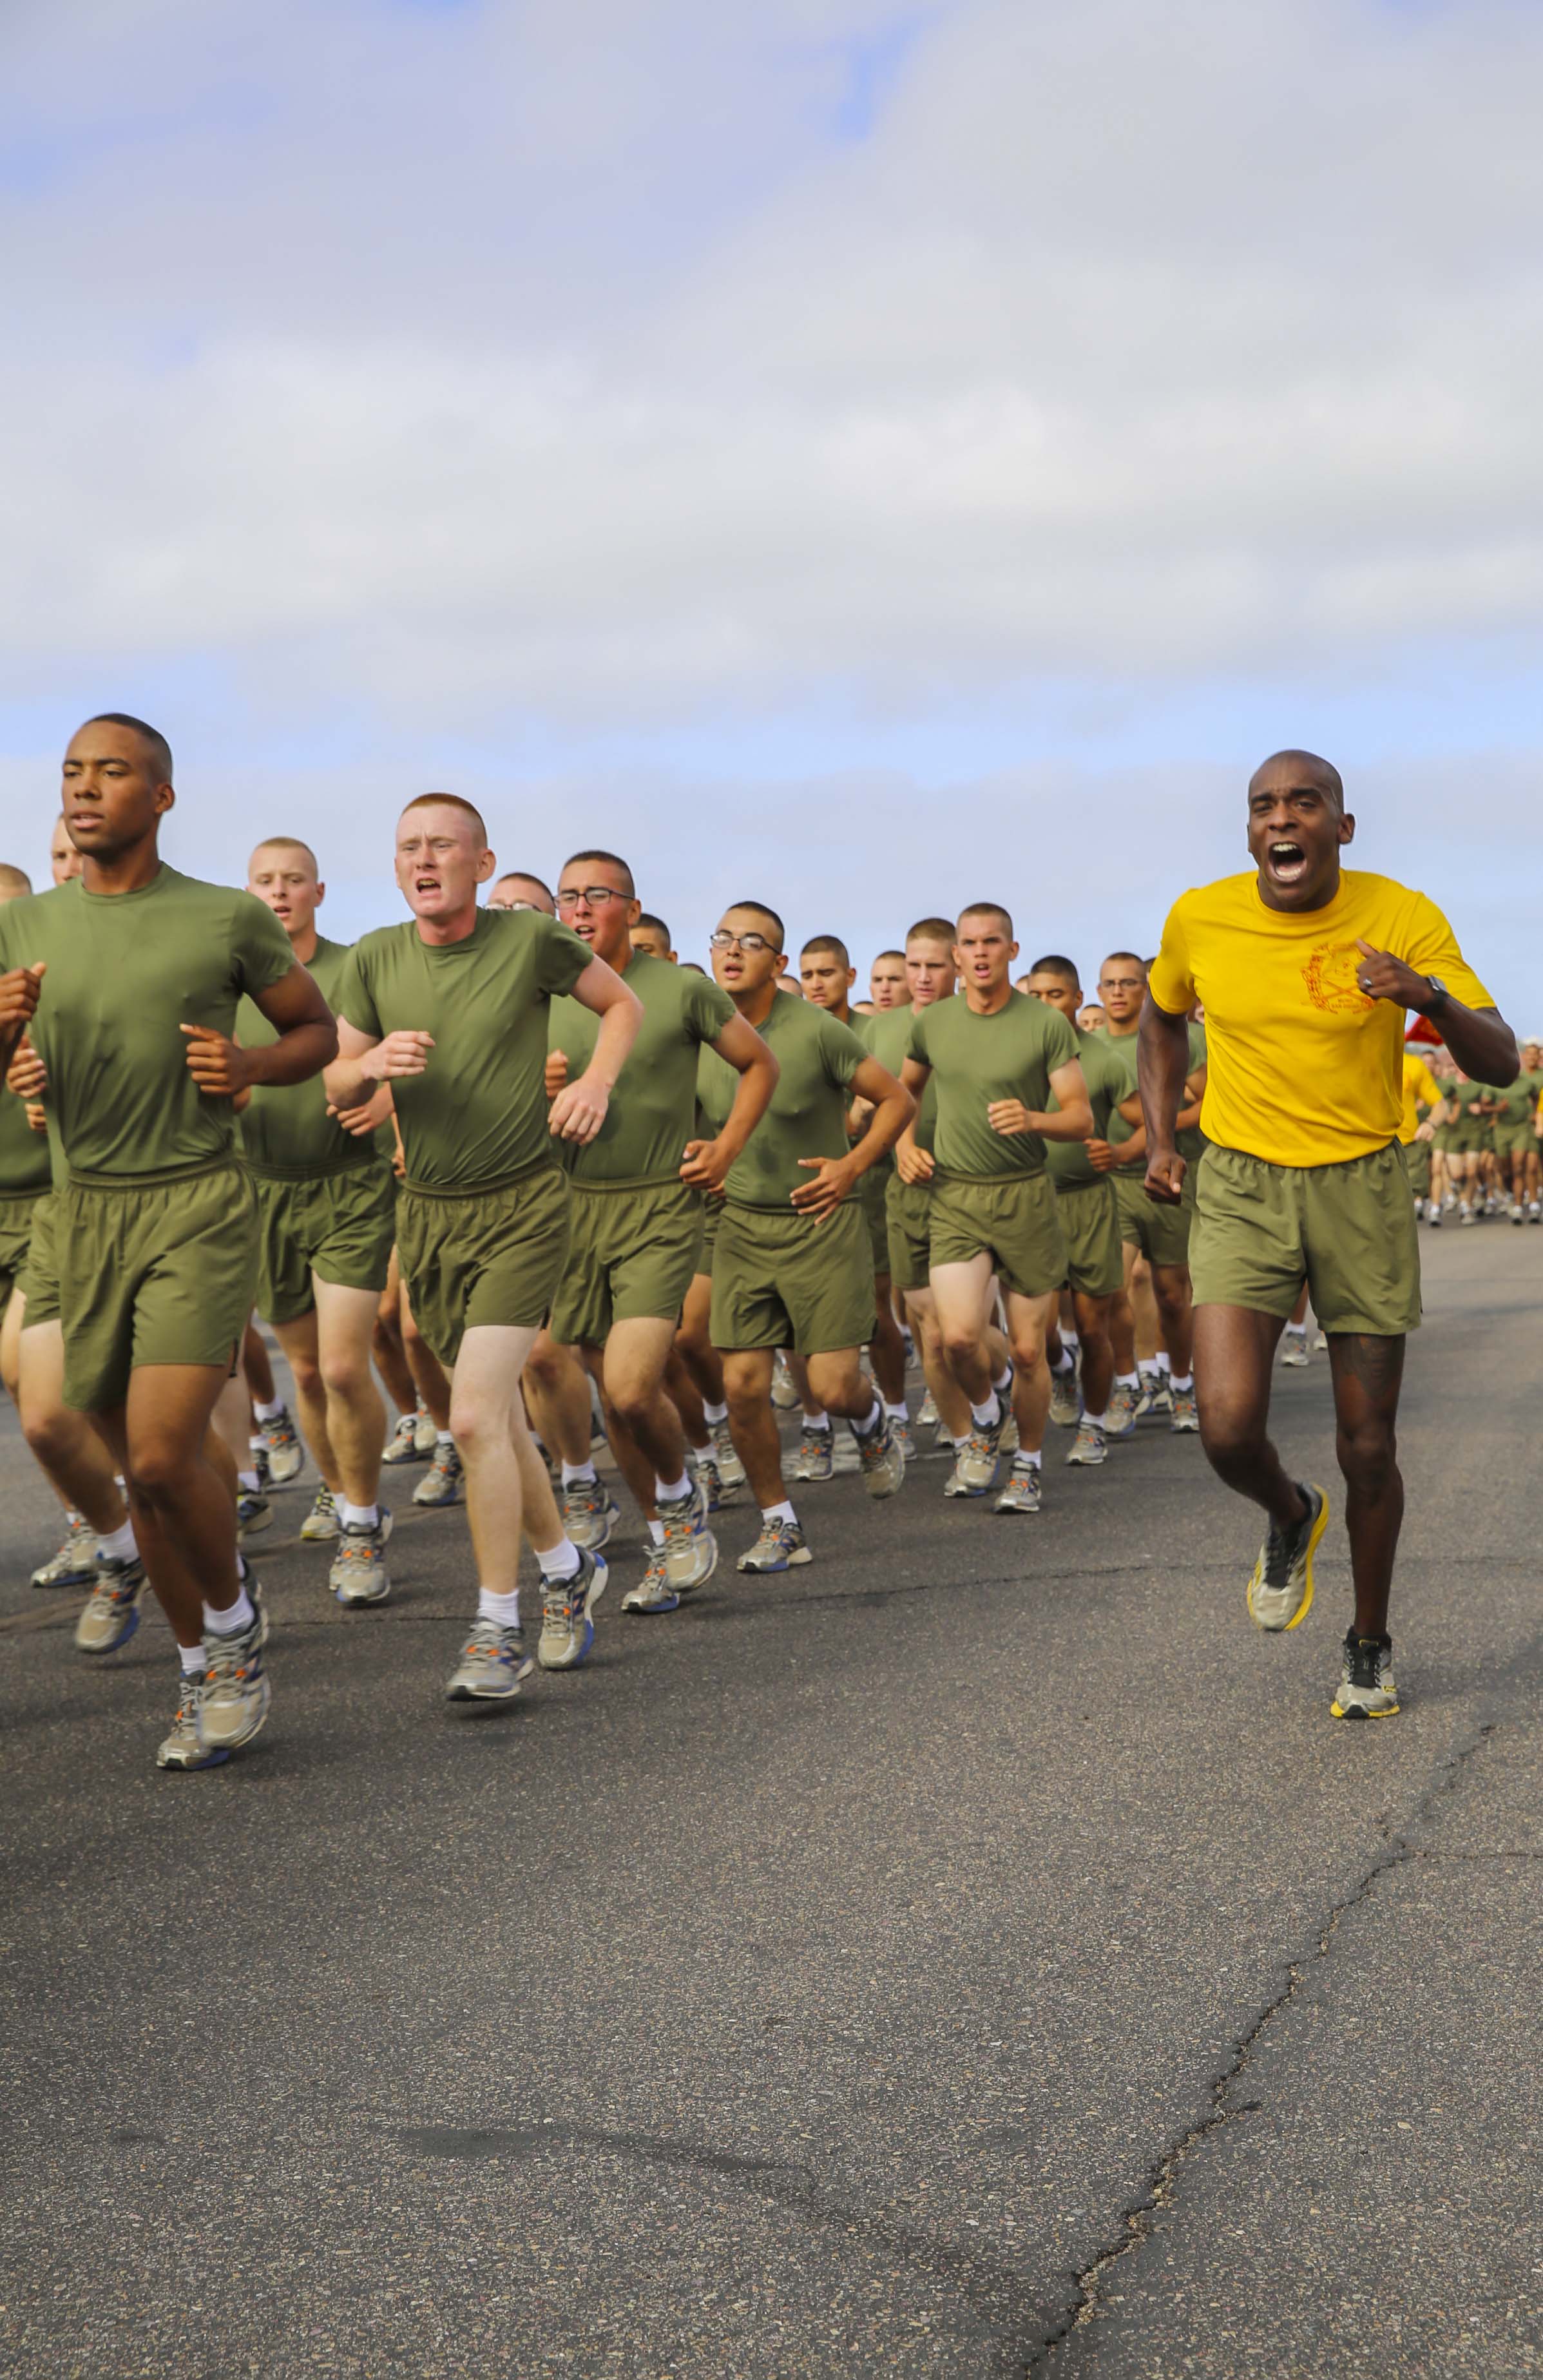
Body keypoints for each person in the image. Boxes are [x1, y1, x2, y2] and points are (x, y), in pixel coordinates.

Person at [1140, 747, 1517, 1720]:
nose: (1281, 819)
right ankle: (1286, 1510)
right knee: (1224, 1425)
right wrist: (1156, 1137)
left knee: (1367, 1444)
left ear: (1338, 830)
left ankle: (1367, 1644)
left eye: (1303, 804)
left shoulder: (1401, 916)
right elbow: (1159, 1015)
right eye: (1263, 805)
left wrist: (1421, 996)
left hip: (1361, 1184)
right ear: (1250, 831)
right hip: (1239, 1181)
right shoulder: (1199, 915)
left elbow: (1500, 1061)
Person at [0, 715, 337, 1769]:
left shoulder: (224, 916)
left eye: (112, 772)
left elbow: (314, 1031)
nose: (85, 789)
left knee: (157, 1449)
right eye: (71, 773)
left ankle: (231, 1627)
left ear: (163, 795)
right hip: (82, 1210)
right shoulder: (25, 926)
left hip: (195, 1201)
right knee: (135, 1472)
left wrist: (249, 1070)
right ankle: (202, 1660)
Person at [324, 794, 642, 1694]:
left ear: (478, 859)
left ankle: (494, 1626)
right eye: (406, 847)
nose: (422, 859)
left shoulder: (527, 941)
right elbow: (338, 1088)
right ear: (395, 867)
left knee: (468, 1418)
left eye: (441, 846)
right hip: (427, 1213)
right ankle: (567, 1569)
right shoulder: (375, 959)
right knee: (494, 1418)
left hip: (521, 1207)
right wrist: (368, 1068)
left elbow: (620, 1008)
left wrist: (596, 1083)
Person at [545, 852, 776, 1616]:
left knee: (633, 1386)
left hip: (658, 1205)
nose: (579, 908)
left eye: (596, 896)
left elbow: (759, 1065)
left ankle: (679, 1499)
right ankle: (664, 1535)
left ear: (630, 907)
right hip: (573, 1211)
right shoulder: (541, 991)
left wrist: (726, 1146)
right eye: (567, 896)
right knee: (612, 1407)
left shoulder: (679, 989)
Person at [700, 903, 912, 1571]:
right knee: (739, 1383)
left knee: (832, 1386)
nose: (733, 951)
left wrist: (852, 1166)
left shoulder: (817, 1032)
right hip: (739, 1225)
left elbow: (898, 1100)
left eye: (752, 941)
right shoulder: (694, 1030)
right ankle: (779, 1522)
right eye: (723, 938)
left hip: (819, 1226)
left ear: (778, 963)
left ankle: (871, 1420)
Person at [239, 838, 398, 1599]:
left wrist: (387, 1099)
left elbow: (409, 1047)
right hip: (263, 1191)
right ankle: (339, 1488)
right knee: (302, 1369)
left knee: (342, 1365)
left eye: (293, 880)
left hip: (350, 1187)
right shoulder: (229, 978)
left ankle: (363, 1527)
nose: (279, 892)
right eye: (265, 881)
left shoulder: (354, 966)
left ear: (319, 892)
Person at [900, 905, 1092, 1513]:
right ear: (956, 954)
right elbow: (901, 1091)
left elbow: (1080, 1116)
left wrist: (1033, 1118)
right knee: (957, 1339)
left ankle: (1028, 1467)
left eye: (991, 942)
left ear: (1011, 951)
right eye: (969, 943)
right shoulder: (934, 1023)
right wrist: (904, 1143)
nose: (979, 953)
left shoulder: (1043, 1024)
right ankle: (986, 1417)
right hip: (955, 1196)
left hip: (1025, 1195)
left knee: (1031, 1350)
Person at [800, 936, 912, 1460]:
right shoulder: (794, 1032)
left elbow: (893, 1102)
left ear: (850, 977)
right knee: (799, 1320)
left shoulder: (878, 1033)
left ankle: (897, 1409)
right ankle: (816, 1424)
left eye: (827, 973)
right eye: (809, 974)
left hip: (870, 1186)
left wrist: (862, 1128)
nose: (817, 983)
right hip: (809, 1187)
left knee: (876, 1309)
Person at [1022, 957, 1129, 1460]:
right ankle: (1061, 1369)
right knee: (1036, 1332)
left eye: (1056, 995)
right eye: (1036, 996)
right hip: (1028, 1202)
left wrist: (1121, 1153)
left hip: (1089, 1203)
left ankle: (1093, 1423)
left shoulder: (1104, 1059)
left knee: (1092, 1325)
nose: (1044, 1005)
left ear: (1077, 996)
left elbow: (1148, 1122)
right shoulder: (1016, 1056)